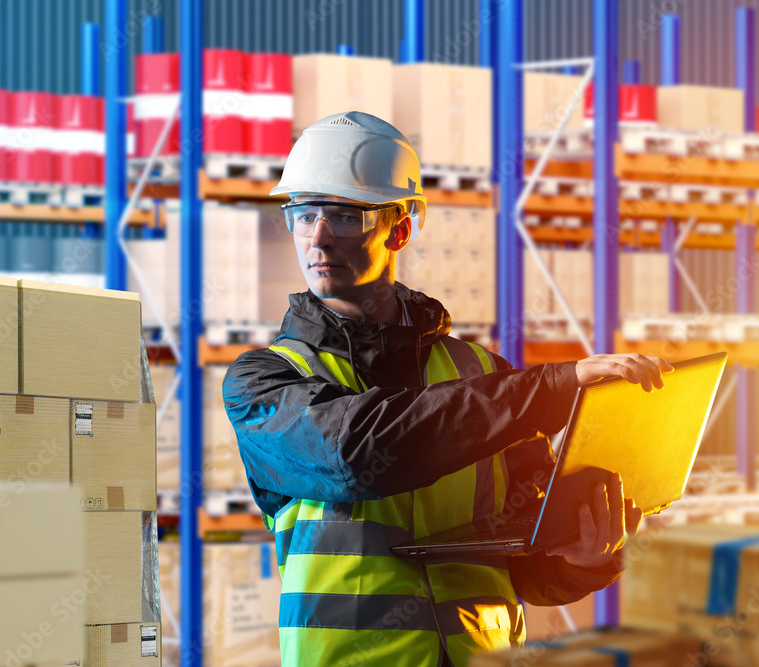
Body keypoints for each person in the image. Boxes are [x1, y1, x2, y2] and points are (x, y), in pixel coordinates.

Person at [222, 111, 673, 667]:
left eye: (344, 215)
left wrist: (584, 560)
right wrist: (552, 387)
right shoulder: (265, 380)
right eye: (303, 212)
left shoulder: (483, 373)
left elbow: (525, 561)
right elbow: (358, 453)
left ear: (401, 229)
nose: (317, 237)